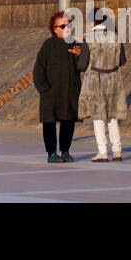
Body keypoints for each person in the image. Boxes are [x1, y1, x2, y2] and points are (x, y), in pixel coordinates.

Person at [32, 10, 88, 164]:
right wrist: (44, 89)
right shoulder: (48, 46)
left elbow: (82, 67)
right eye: (63, 26)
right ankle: (51, 152)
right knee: (49, 123)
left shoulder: (75, 44)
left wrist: (79, 55)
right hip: (51, 93)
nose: (67, 28)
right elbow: (38, 69)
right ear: (55, 29)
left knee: (68, 122)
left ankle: (65, 151)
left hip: (70, 91)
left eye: (68, 25)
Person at [79, 11, 128, 162]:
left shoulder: (88, 39)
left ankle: (102, 151)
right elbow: (122, 61)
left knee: (98, 117)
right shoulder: (115, 38)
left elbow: (82, 64)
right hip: (113, 78)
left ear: (93, 23)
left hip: (95, 79)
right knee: (112, 116)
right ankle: (117, 150)